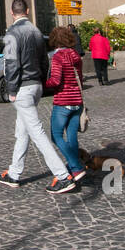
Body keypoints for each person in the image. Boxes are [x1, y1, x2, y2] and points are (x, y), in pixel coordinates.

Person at [0, 0, 76, 193]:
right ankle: (14, 173)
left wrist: (12, 90)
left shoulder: (11, 33)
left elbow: (11, 63)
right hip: (36, 86)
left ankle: (63, 176)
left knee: (37, 133)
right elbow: (44, 62)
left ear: (11, 12)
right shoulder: (36, 32)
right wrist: (41, 82)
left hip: (22, 88)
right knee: (22, 131)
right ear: (28, 11)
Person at [45, 27, 87, 183]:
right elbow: (80, 78)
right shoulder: (76, 55)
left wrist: (43, 84)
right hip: (77, 101)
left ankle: (76, 167)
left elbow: (55, 80)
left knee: (56, 136)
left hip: (63, 101)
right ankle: (73, 164)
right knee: (71, 136)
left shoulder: (58, 57)